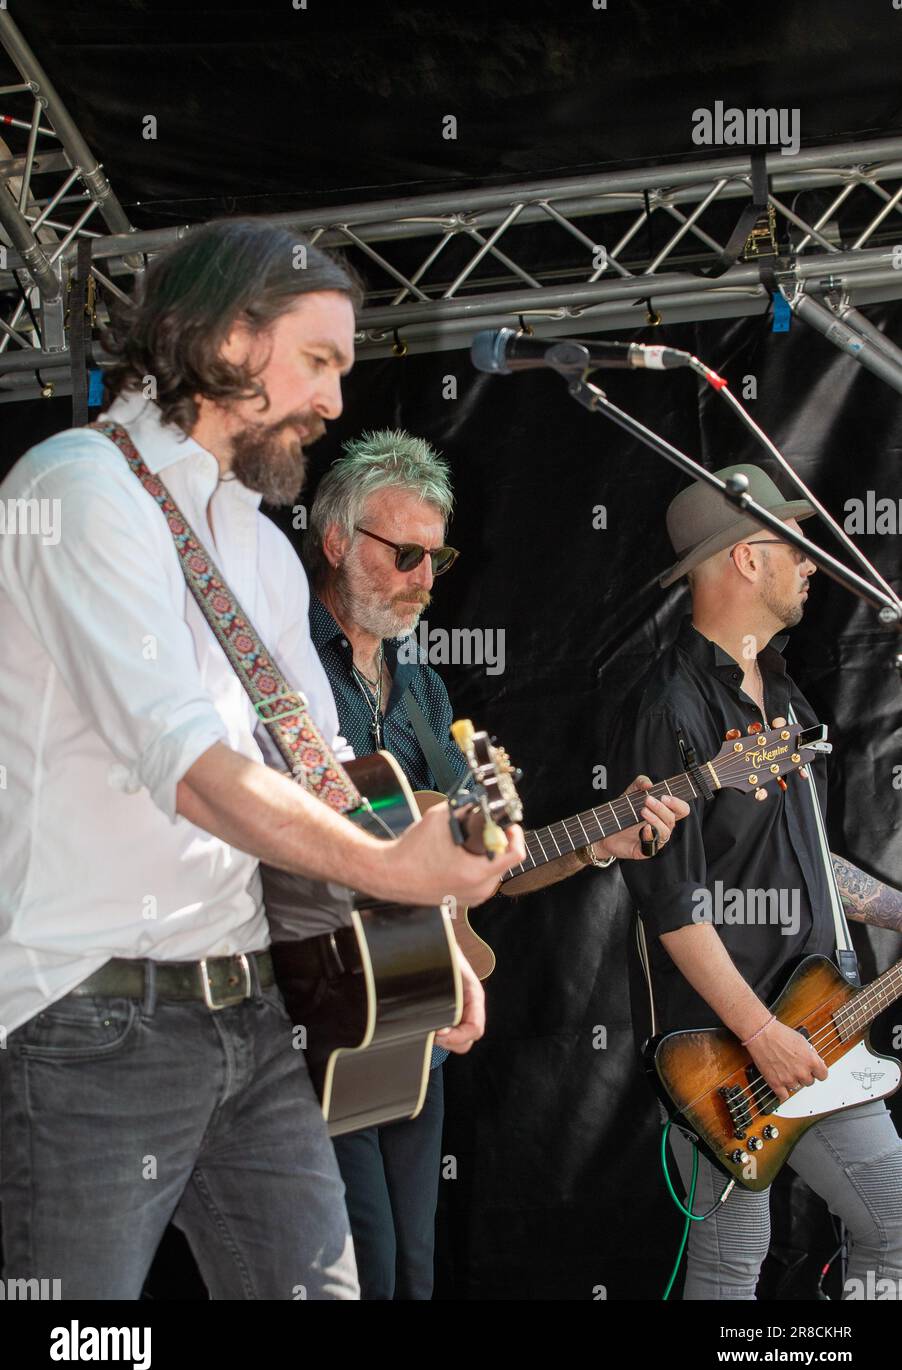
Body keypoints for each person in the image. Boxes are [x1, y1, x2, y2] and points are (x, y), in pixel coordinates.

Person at [0, 218, 523, 1301]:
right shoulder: (80, 495)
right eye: (319, 360)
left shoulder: (255, 545)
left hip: (245, 1011)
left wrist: (421, 944)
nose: (335, 401)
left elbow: (319, 778)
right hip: (89, 1019)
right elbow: (190, 768)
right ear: (228, 337)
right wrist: (395, 873)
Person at [304, 427, 688, 1298]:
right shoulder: (283, 669)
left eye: (437, 559)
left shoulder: (427, 691)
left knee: (411, 1274)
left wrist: (600, 836)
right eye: (405, 554)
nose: (424, 580)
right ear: (335, 541)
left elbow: (488, 865)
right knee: (348, 1271)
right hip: (316, 1021)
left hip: (420, 1023)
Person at [612, 464, 902, 1301]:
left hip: (818, 1026)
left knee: (891, 1221)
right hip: (725, 1054)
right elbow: (670, 902)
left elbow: (808, 856)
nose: (811, 560)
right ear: (744, 559)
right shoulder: (669, 707)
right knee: (733, 1261)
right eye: (793, 544)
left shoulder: (781, 694)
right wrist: (760, 1034)